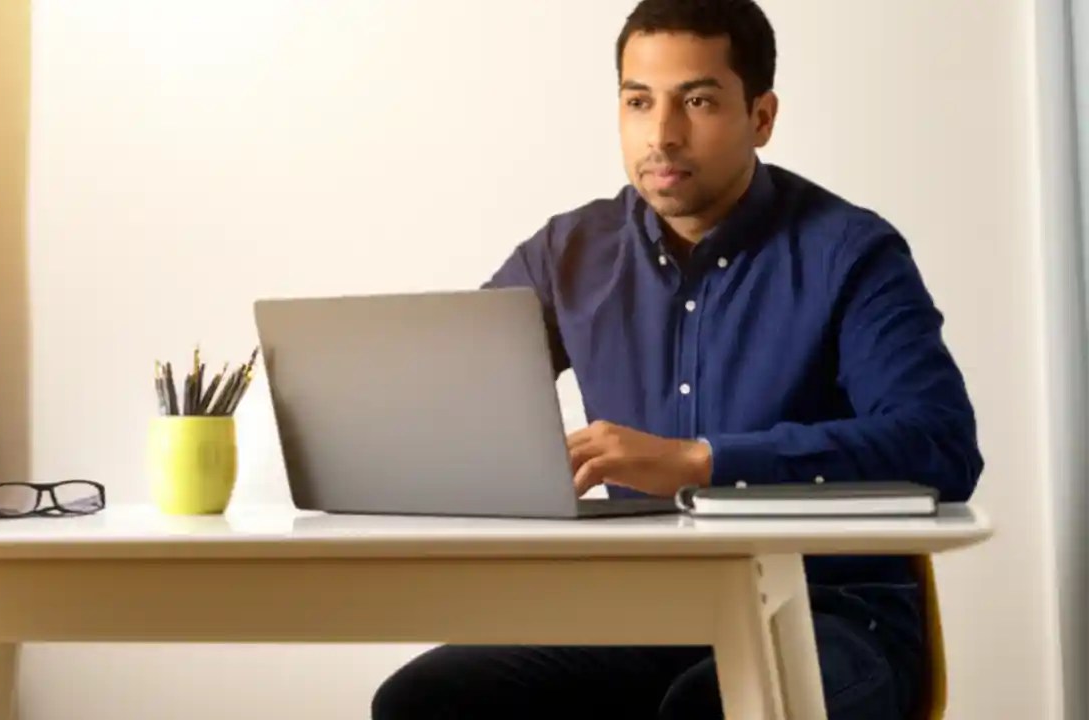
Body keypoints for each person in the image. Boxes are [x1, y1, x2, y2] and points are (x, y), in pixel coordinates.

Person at [370, 0, 983, 717]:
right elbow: (455, 403)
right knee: (427, 701)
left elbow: (939, 444)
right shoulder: (567, 253)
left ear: (761, 116)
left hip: (834, 614)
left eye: (697, 100)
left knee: (710, 707)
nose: (662, 135)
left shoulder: (849, 252)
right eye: (638, 102)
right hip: (643, 612)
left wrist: (703, 462)